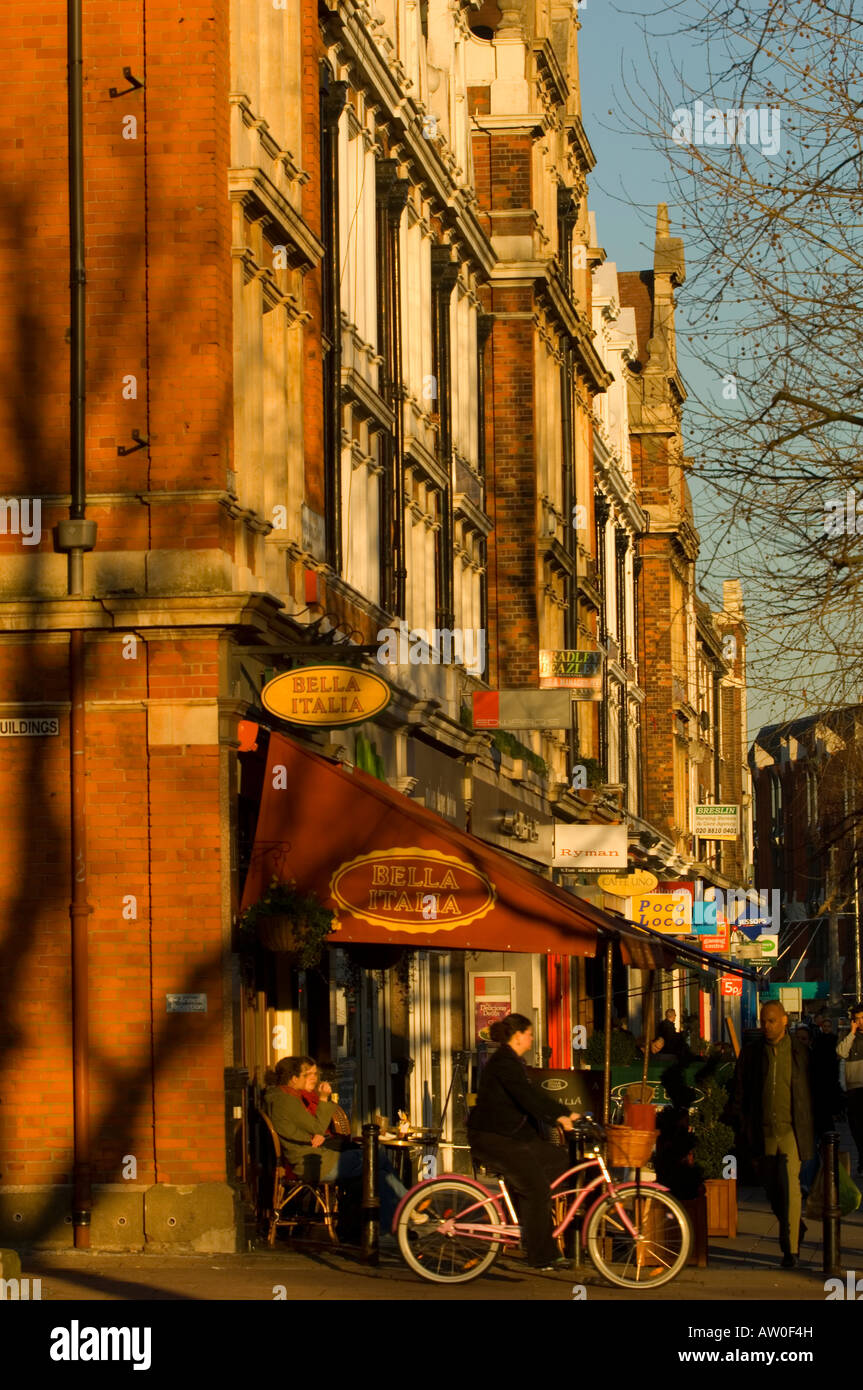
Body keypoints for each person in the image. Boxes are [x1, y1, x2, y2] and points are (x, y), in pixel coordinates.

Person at [468, 1013, 580, 1270]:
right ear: (518, 1036)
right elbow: (527, 1097)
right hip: (494, 1138)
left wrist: (565, 1113)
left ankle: (530, 1220)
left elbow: (531, 1097)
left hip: (511, 1135)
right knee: (536, 1188)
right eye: (529, 1034)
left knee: (561, 1161)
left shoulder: (512, 1061)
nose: (532, 1038)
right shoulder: (504, 1063)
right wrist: (561, 1116)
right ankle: (542, 1254)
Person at [264, 1055, 410, 1240]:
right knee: (377, 1157)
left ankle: (392, 1226)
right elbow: (316, 1126)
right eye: (305, 1074)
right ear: (294, 1079)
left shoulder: (280, 1098)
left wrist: (312, 1134)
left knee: (380, 1175)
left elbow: (303, 1128)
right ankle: (409, 1203)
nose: (313, 1078)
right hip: (314, 1163)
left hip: (313, 1157)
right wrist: (324, 1100)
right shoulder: (287, 1100)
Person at [726, 1002, 814, 1268]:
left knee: (791, 1188)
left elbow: (812, 1091)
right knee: (771, 1188)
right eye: (764, 1021)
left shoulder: (800, 1052)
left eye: (772, 1021)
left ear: (785, 1021)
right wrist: (739, 1121)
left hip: (791, 1129)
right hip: (762, 1130)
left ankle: (792, 1249)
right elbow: (740, 1090)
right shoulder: (752, 1055)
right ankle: (794, 1224)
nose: (767, 1026)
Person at [837, 1003, 863, 1174]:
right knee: (857, 1128)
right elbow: (840, 1052)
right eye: (857, 1019)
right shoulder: (848, 1036)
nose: (860, 1022)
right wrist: (852, 1033)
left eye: (862, 1018)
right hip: (854, 1089)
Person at [811, 1015, 841, 1138]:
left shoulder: (834, 1039)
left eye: (828, 1026)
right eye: (825, 1026)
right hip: (822, 1073)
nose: (827, 1028)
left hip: (830, 1073)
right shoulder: (818, 1039)